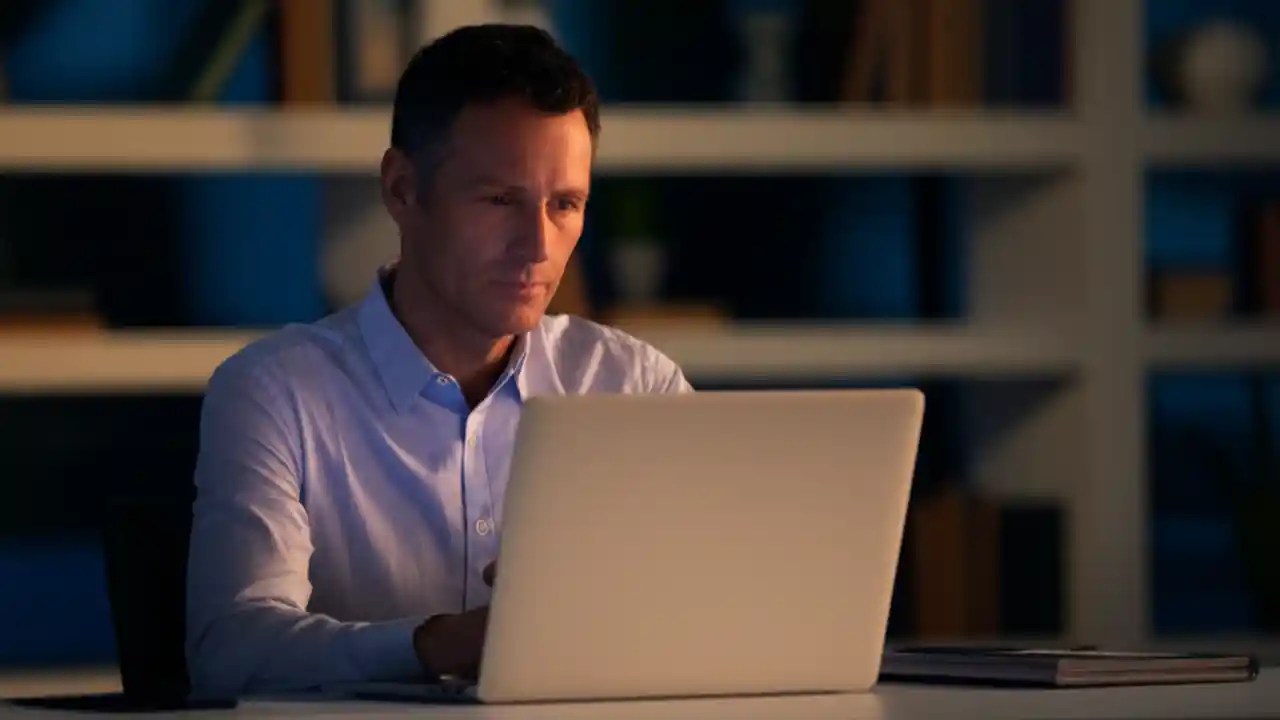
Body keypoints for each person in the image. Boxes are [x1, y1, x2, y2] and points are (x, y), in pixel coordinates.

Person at [185, 24, 691, 699]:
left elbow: (715, 611)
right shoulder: (276, 393)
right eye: (499, 200)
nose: (538, 246)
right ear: (401, 190)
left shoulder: (635, 386)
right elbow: (231, 650)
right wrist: (451, 640)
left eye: (564, 204)